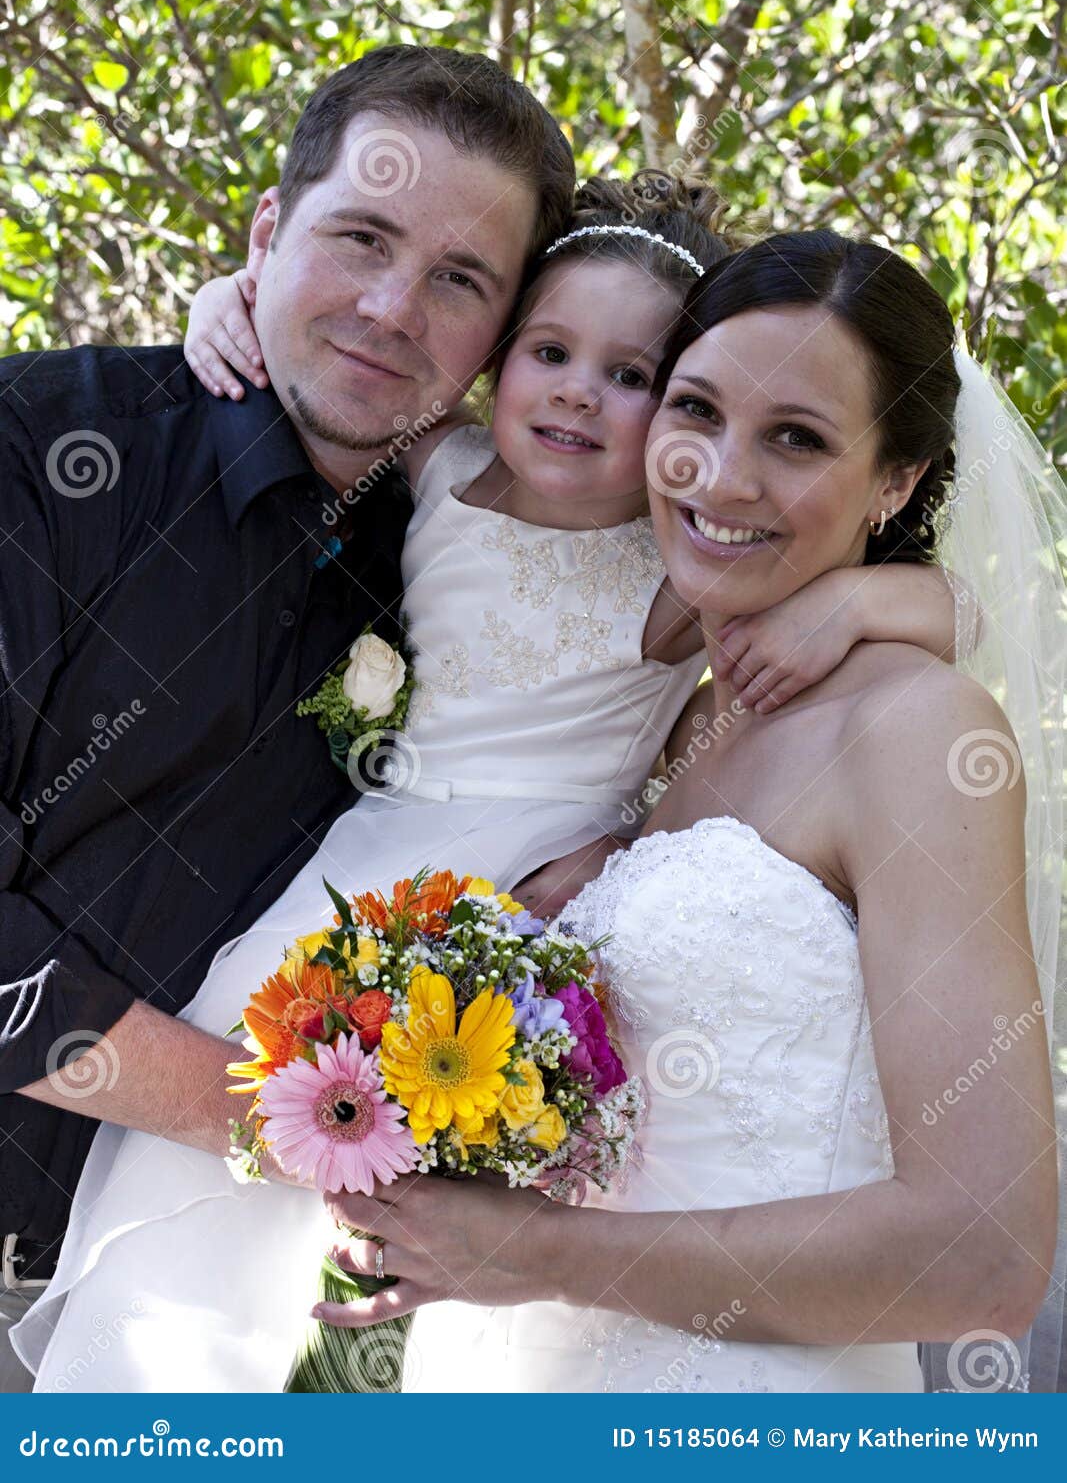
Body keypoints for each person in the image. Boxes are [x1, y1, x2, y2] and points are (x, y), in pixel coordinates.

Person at [14, 199, 963, 1393]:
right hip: (357, 870)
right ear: (499, 362)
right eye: (549, 354)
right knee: (243, 1168)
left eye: (630, 376)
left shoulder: (673, 560)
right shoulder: (445, 465)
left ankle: (355, 1386)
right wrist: (231, 304)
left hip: (527, 896)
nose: (575, 393)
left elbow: (949, 606)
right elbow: (328, 377)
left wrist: (866, 602)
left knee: (439, 1189)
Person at [308, 233, 1061, 1396]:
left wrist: (535, 1252)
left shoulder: (916, 732)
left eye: (796, 439)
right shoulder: (678, 722)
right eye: (695, 410)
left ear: (897, 480)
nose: (721, 475)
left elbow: (983, 1255)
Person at [0, 44, 575, 1391]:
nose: (390, 306)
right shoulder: (40, 447)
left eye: (458, 281)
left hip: (203, 1318)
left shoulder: (473, 560)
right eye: (358, 237)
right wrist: (297, 1120)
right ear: (267, 232)